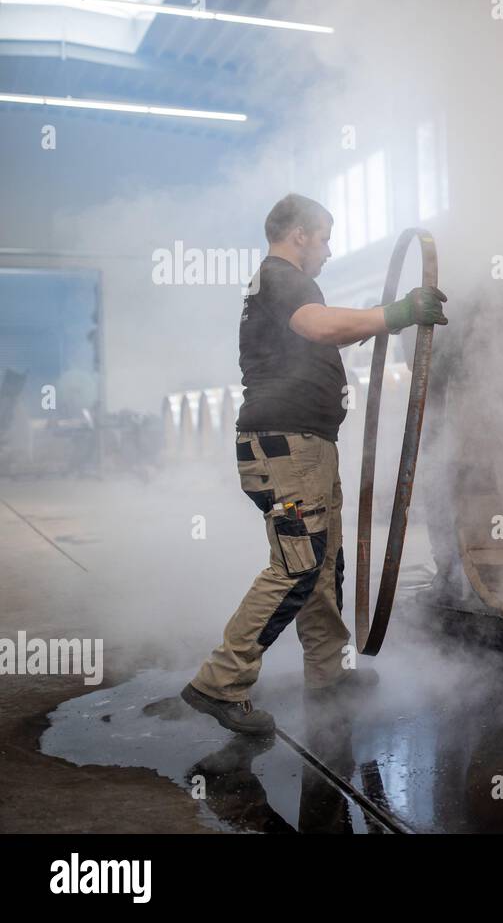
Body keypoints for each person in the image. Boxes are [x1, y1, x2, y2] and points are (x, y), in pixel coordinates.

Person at [181, 193, 446, 736]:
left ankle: (328, 675)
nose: (329, 248)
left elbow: (320, 335)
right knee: (298, 565)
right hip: (287, 449)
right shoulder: (284, 278)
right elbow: (320, 327)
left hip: (305, 447)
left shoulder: (275, 283)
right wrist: (395, 315)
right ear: (298, 233)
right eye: (324, 236)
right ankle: (219, 682)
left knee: (322, 564)